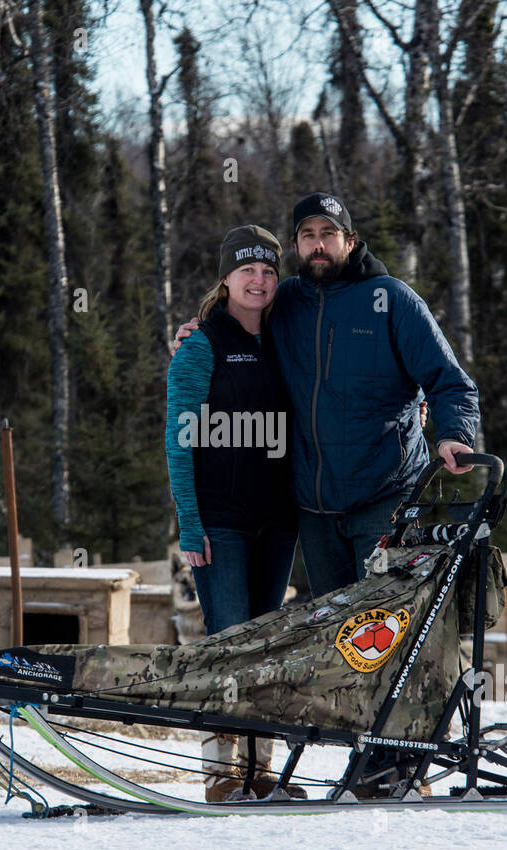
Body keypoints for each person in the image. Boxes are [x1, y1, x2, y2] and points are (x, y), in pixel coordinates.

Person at [176, 192, 480, 600]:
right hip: (315, 515)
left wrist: (453, 433)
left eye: (329, 234)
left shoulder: (392, 300)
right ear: (297, 245)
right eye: (308, 235)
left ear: (349, 241)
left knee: (387, 631)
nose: (318, 244)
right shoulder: (283, 302)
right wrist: (194, 339)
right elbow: (238, 335)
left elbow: (449, 379)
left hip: (386, 499)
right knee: (336, 644)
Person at [164, 224, 304, 803]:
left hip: (279, 522)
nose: (259, 279)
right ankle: (221, 775)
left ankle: (260, 771)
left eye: (269, 270)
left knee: (266, 646)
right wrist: (190, 524)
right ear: (225, 278)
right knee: (229, 644)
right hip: (221, 520)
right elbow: (179, 440)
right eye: (247, 269)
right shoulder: (202, 344)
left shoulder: (288, 338)